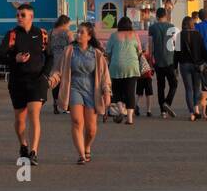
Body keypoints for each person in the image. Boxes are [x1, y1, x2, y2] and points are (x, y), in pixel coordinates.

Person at [0, 3, 52, 165]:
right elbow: (0, 57)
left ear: (31, 17)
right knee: (20, 119)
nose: (19, 18)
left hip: (37, 81)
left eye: (22, 15)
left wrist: (45, 76)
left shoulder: (41, 34)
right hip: (18, 81)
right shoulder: (12, 35)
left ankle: (34, 152)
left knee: (34, 114)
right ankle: (23, 145)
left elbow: (50, 56)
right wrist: (15, 59)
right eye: (17, 15)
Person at [52, 21, 111, 164]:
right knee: (77, 121)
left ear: (89, 36)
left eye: (82, 32)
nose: (78, 34)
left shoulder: (97, 53)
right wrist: (50, 81)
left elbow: (104, 76)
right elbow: (58, 70)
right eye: (77, 32)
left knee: (91, 129)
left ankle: (87, 147)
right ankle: (81, 155)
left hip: (92, 90)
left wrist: (107, 92)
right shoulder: (69, 51)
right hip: (74, 88)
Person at [105, 16, 143, 124]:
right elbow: (139, 51)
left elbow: (107, 52)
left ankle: (121, 111)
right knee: (130, 92)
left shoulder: (114, 36)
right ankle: (130, 119)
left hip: (116, 66)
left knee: (117, 91)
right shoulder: (135, 35)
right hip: (132, 66)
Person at [176, 15, 207, 120]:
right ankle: (196, 109)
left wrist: (175, 66)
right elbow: (203, 50)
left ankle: (191, 113)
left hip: (184, 65)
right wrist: (206, 62)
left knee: (188, 89)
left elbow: (176, 53)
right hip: (197, 65)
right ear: (192, 24)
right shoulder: (198, 35)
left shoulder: (179, 35)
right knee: (196, 88)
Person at [148, 7, 178, 118]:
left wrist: (151, 60)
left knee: (161, 86)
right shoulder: (171, 27)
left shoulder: (152, 28)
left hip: (158, 60)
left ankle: (163, 111)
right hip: (169, 59)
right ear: (165, 15)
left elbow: (150, 45)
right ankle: (167, 103)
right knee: (174, 84)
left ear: (156, 16)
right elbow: (176, 44)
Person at [48, 15, 73, 114]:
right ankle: (66, 105)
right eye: (68, 24)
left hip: (54, 59)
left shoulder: (51, 32)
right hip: (65, 59)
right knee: (66, 82)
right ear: (65, 23)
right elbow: (72, 46)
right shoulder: (67, 33)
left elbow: (48, 48)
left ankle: (55, 103)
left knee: (55, 82)